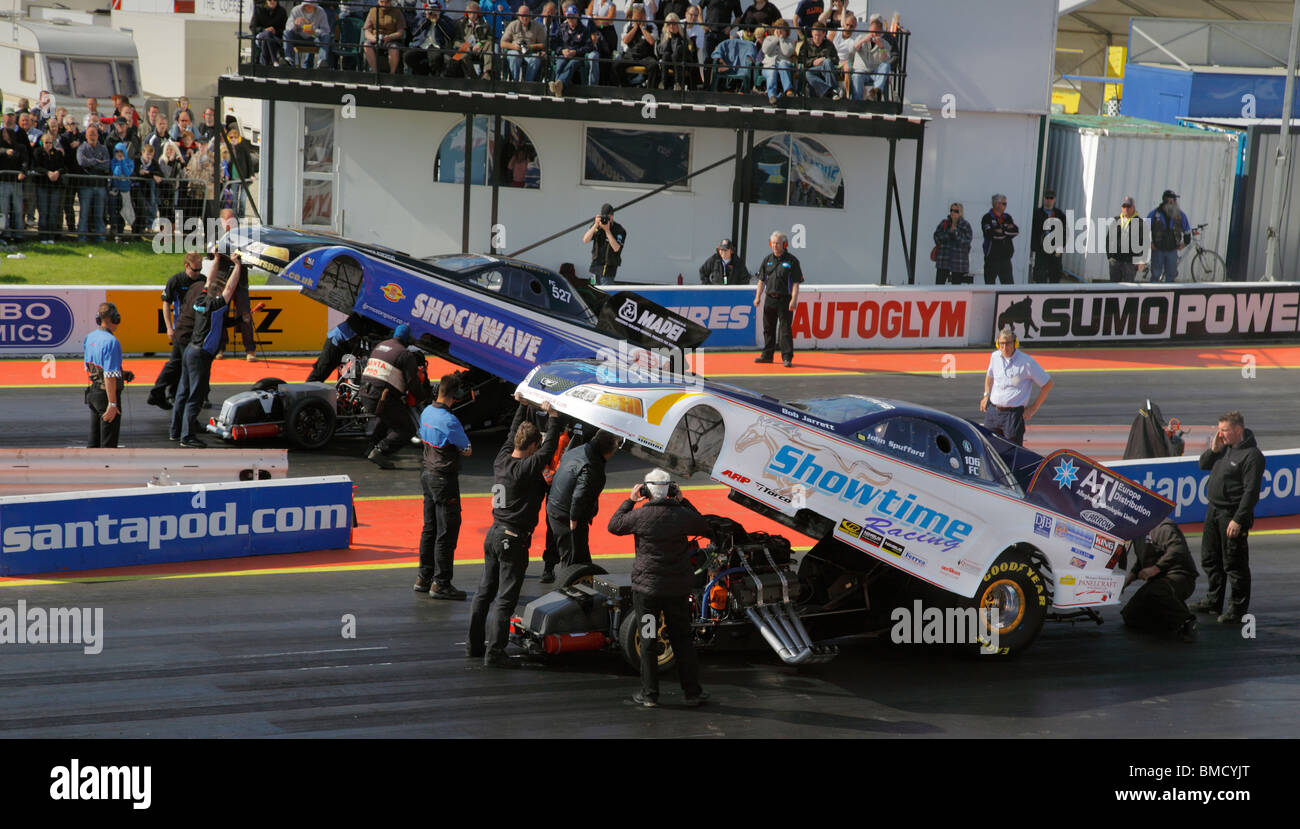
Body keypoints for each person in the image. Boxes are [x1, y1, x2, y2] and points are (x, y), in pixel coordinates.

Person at [468, 395, 563, 666]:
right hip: (513, 539)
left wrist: (524, 405)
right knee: (505, 600)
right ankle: (495, 654)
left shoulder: (502, 459)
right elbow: (549, 450)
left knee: (484, 593)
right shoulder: (526, 468)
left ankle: (474, 647)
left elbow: (512, 432)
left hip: (494, 532)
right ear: (533, 446)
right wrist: (554, 418)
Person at [607, 468, 712, 707]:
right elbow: (703, 525)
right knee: (682, 640)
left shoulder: (639, 517)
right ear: (670, 490)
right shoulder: (682, 515)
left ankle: (650, 694)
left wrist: (629, 501)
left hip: (647, 594)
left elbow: (614, 525)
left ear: (646, 491)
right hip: (676, 591)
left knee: (647, 640)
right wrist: (683, 500)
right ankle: (692, 692)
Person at [1190, 411, 1264, 625]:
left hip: (1231, 514)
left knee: (1234, 562)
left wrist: (1238, 519)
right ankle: (1213, 601)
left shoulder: (1252, 455)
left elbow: (1251, 492)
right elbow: (1203, 465)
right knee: (1210, 558)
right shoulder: (1223, 448)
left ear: (1238, 430)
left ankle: (1238, 609)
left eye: (1223, 430)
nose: (1219, 434)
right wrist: (1214, 450)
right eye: (1218, 429)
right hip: (1213, 510)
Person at [171, 254, 243, 447]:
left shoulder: (201, 298)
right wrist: (237, 266)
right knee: (196, 396)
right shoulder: (217, 305)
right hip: (201, 354)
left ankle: (176, 431)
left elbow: (210, 278)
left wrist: (218, 260)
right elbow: (231, 287)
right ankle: (187, 437)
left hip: (190, 350)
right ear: (218, 292)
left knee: (183, 393)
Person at [415, 374, 472, 599]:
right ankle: (441, 583)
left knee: (429, 527)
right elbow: (467, 448)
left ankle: (423, 577)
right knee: (447, 531)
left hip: (426, 474)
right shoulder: (450, 420)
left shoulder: (426, 412)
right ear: (453, 396)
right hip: (443, 479)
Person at [359, 324, 431, 468]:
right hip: (382, 396)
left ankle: (370, 448)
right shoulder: (405, 354)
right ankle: (380, 451)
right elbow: (413, 384)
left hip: (365, 393)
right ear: (408, 339)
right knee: (406, 429)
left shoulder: (381, 345)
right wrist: (423, 397)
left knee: (387, 418)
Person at [547, 429, 620, 568]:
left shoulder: (579, 449)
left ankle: (578, 583)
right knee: (573, 562)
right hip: (567, 514)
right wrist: (574, 519)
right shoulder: (593, 466)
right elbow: (580, 495)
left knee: (578, 558)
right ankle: (570, 587)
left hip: (555, 505)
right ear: (610, 451)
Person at [1121, 518, 1198, 643]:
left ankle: (1187, 621)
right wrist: (1129, 579)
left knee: (1157, 591)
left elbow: (1178, 549)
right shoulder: (1138, 531)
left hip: (1180, 577)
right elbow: (1143, 560)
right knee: (1129, 615)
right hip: (1157, 581)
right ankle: (1166, 618)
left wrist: (1157, 568)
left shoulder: (1162, 526)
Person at [148, 252, 206, 410]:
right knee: (179, 363)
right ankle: (160, 392)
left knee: (180, 363)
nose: (197, 273)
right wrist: (169, 327)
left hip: (195, 329)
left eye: (200, 269)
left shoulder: (202, 280)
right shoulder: (176, 280)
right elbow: (166, 303)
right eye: (195, 270)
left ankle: (168, 393)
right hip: (181, 328)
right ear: (186, 266)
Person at [979, 324, 1052, 447]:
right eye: (1001, 344)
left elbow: (1048, 384)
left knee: (1012, 452)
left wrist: (1033, 408)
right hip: (993, 412)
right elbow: (989, 375)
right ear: (998, 344)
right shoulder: (995, 357)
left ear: (1015, 344)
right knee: (988, 448)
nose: (1004, 347)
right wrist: (986, 394)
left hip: (1012, 416)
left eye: (1008, 343)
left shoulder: (1026, 362)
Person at [83, 302, 133, 449]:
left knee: (93, 442)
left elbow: (94, 367)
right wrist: (112, 404)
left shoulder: (90, 337)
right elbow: (109, 375)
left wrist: (122, 374)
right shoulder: (112, 342)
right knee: (108, 446)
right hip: (106, 395)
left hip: (93, 392)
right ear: (115, 319)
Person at [753, 229, 802, 367]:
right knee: (768, 328)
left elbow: (796, 283)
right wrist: (757, 297)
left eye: (778, 243)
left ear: (784, 244)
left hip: (785, 300)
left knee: (785, 329)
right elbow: (761, 280)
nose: (775, 246)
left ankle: (787, 357)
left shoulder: (792, 261)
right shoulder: (767, 260)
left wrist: (794, 299)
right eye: (773, 243)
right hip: (769, 299)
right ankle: (767, 355)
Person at [550, 5, 598, 94]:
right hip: (564, 54)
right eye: (568, 17)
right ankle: (558, 87)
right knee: (560, 63)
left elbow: (589, 46)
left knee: (571, 64)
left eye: (572, 17)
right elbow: (554, 43)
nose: (570, 19)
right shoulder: (562, 28)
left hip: (577, 56)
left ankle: (559, 84)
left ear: (577, 16)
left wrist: (576, 51)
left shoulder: (584, 29)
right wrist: (562, 51)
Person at [1147, 189, 1190, 283]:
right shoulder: (1154, 214)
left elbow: (1187, 230)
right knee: (1155, 276)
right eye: (1173, 200)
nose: (1175, 202)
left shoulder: (1180, 215)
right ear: (1167, 200)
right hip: (1158, 250)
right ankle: (1153, 296)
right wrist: (1149, 243)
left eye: (1175, 200)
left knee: (1171, 276)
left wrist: (1186, 242)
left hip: (1172, 250)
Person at [76, 125, 110, 243]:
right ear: (86, 135)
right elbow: (81, 161)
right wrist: (96, 161)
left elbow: (106, 164)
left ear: (98, 135)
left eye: (94, 134)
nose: (92, 136)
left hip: (100, 186)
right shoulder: (82, 148)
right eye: (90, 134)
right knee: (84, 213)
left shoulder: (104, 149)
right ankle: (82, 237)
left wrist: (90, 163)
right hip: (85, 186)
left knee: (99, 214)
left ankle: (100, 237)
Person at [405, 0, 458, 76]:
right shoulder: (420, 17)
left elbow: (450, 35)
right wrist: (427, 20)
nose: (432, 11)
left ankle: (434, 76)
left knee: (435, 58)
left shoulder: (444, 19)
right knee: (408, 56)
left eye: (435, 9)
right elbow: (414, 32)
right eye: (431, 9)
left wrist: (438, 21)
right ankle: (423, 72)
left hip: (435, 46)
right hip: (422, 45)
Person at [31, 131, 64, 244]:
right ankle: (43, 236)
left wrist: (58, 172)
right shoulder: (37, 152)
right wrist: (47, 172)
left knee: (53, 212)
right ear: (42, 142)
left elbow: (64, 167)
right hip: (42, 185)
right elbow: (36, 166)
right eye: (46, 142)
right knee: (44, 212)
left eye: (50, 143)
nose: (48, 145)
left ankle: (51, 236)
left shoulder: (57, 153)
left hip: (55, 186)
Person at [449, 2, 496, 80]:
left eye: (475, 12)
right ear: (467, 13)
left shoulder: (485, 24)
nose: (473, 14)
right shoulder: (460, 24)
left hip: (479, 48)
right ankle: (474, 78)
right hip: (466, 48)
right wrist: (465, 46)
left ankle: (487, 73)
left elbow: (490, 38)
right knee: (461, 55)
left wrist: (480, 44)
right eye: (471, 12)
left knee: (489, 45)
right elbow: (456, 41)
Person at [615, 4, 659, 88]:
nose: (638, 21)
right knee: (616, 66)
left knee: (654, 66)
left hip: (645, 56)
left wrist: (642, 28)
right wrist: (634, 28)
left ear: (644, 17)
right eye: (635, 19)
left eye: (640, 18)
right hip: (630, 55)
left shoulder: (652, 26)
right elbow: (625, 40)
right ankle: (626, 88)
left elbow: (651, 41)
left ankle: (649, 90)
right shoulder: (628, 26)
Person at [582, 202, 626, 285]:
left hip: (609, 269)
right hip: (596, 266)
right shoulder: (598, 226)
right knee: (594, 294)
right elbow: (585, 240)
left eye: (608, 216)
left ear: (612, 216)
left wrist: (607, 230)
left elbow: (616, 248)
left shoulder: (619, 229)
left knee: (605, 294)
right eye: (604, 216)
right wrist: (595, 225)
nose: (606, 219)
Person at [1106, 196, 1147, 283]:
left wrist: (1142, 261)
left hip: (1130, 262)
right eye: (1124, 206)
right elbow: (1108, 239)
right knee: (1113, 287)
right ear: (1122, 208)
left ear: (1133, 207)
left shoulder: (1140, 223)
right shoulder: (1115, 220)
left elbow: (1145, 243)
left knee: (1127, 288)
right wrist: (1109, 256)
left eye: (1128, 206)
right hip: (1115, 261)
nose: (1126, 209)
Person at [980, 193, 1018, 285]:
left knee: (1008, 286)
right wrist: (1006, 230)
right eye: (1004, 203)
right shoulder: (987, 218)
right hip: (992, 258)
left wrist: (1002, 231)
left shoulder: (1007, 217)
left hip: (1006, 258)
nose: (1006, 206)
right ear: (996, 204)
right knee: (990, 285)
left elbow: (1015, 231)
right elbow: (991, 235)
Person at [1029, 188, 1066, 284]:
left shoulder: (1060, 214)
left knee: (1055, 275)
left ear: (1054, 199)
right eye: (1047, 198)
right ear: (1043, 198)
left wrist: (1061, 247)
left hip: (1055, 249)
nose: (1049, 200)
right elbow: (1033, 232)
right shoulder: (1037, 214)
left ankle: (1054, 297)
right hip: (1042, 249)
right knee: (1040, 275)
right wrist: (1035, 247)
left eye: (1051, 198)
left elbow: (1065, 232)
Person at [933, 202, 973, 284]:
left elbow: (966, 242)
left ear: (960, 212)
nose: (952, 212)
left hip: (958, 263)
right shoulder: (944, 223)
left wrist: (955, 232)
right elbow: (937, 237)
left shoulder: (965, 225)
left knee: (956, 289)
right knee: (939, 287)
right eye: (951, 210)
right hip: (943, 262)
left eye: (956, 211)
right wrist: (948, 233)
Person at [364, 0, 408, 72]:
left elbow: (401, 32)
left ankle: (392, 74)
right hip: (376, 37)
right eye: (382, 2)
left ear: (390, 2)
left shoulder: (397, 12)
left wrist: (390, 37)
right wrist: (373, 38)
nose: (384, 4)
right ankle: (375, 72)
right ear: (378, 1)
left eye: (386, 2)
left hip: (391, 39)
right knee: (366, 45)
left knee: (394, 48)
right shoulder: (372, 11)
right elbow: (367, 31)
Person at [285, 1, 332, 69]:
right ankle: (289, 60)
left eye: (311, 5)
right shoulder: (295, 10)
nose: (308, 6)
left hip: (314, 38)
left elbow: (326, 30)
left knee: (326, 37)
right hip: (298, 37)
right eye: (306, 5)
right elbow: (288, 28)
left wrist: (314, 32)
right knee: (286, 33)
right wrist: (294, 24)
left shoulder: (321, 11)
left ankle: (321, 62)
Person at [759, 18, 796, 103]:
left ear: (786, 31)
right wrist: (776, 39)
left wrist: (781, 40)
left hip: (783, 64)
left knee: (783, 63)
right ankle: (772, 95)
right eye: (778, 29)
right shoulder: (769, 38)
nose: (779, 31)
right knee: (772, 71)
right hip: (769, 65)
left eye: (782, 29)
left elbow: (787, 52)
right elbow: (765, 50)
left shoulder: (790, 41)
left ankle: (788, 90)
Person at [800, 23, 840, 98]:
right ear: (812, 33)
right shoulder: (806, 43)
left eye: (819, 35)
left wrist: (824, 59)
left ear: (824, 34)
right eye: (815, 35)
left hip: (826, 68)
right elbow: (801, 59)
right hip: (813, 69)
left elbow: (836, 60)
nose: (817, 37)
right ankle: (831, 91)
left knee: (827, 62)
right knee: (807, 73)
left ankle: (830, 93)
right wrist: (813, 62)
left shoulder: (829, 44)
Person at [253, 0, 289, 65]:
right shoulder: (258, 9)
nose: (272, 1)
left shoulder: (282, 11)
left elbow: (285, 29)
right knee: (267, 33)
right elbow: (252, 27)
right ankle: (274, 60)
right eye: (270, 0)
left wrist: (275, 31)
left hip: (275, 38)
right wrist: (264, 30)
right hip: (260, 36)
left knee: (266, 38)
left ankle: (264, 65)